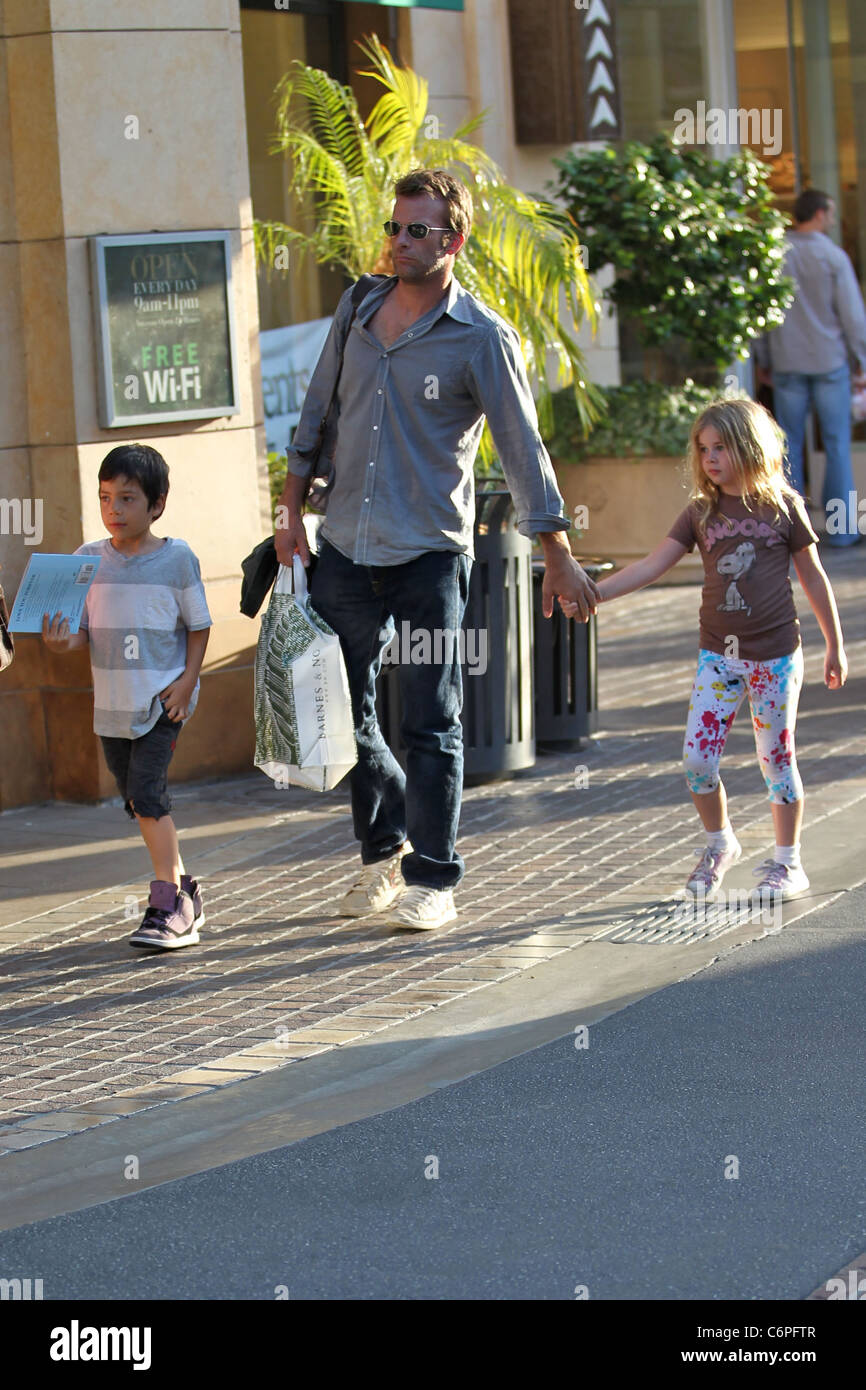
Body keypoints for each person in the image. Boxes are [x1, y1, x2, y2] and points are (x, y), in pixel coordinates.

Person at [275, 167, 599, 931]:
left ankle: (434, 877)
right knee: (333, 711)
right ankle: (384, 847)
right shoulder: (358, 306)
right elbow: (316, 411)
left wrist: (555, 551)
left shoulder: (481, 337)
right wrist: (289, 512)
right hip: (346, 547)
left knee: (431, 719)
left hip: (428, 556)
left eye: (416, 231)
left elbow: (522, 450)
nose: (399, 242)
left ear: (454, 239)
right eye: (393, 228)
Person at [562, 398, 847, 901]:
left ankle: (788, 862)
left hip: (776, 658)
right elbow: (654, 565)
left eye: (721, 447)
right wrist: (595, 593)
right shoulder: (701, 512)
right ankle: (720, 845)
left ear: (750, 447)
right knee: (697, 761)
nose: (710, 457)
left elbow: (814, 578)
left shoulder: (783, 507)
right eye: (703, 448)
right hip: (719, 657)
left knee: (776, 759)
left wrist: (835, 646)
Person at [41, 444, 212, 950]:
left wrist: (187, 682)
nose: (114, 510)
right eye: (105, 498)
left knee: (148, 795)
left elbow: (200, 627)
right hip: (111, 706)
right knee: (138, 800)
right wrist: (59, 640)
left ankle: (166, 904)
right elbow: (81, 635)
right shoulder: (87, 561)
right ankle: (186, 894)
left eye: (128, 499)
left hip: (162, 700)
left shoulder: (177, 559)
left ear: (157, 504)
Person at [754, 188, 866, 546]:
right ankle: (843, 532)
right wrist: (861, 360)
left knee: (787, 447)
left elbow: (761, 311)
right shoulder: (833, 257)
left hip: (786, 362)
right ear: (819, 214)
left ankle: (791, 531)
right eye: (830, 214)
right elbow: (852, 317)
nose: (832, 221)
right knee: (836, 445)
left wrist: (762, 358)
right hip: (830, 362)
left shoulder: (776, 254)